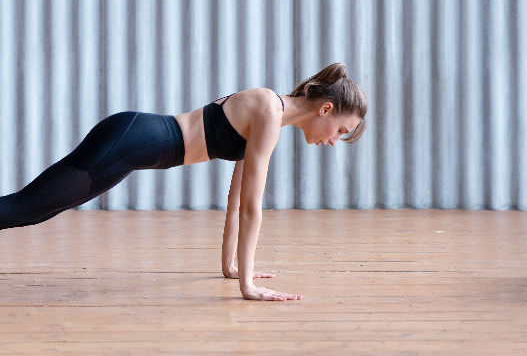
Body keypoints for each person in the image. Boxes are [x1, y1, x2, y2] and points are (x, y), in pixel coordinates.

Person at [0, 63, 367, 300]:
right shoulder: (269, 111)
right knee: (26, 208)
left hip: (130, 144)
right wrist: (249, 288)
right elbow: (254, 208)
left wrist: (233, 268)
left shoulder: (270, 116)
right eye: (340, 131)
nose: (333, 140)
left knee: (32, 207)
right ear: (325, 109)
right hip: (128, 140)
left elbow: (236, 200)